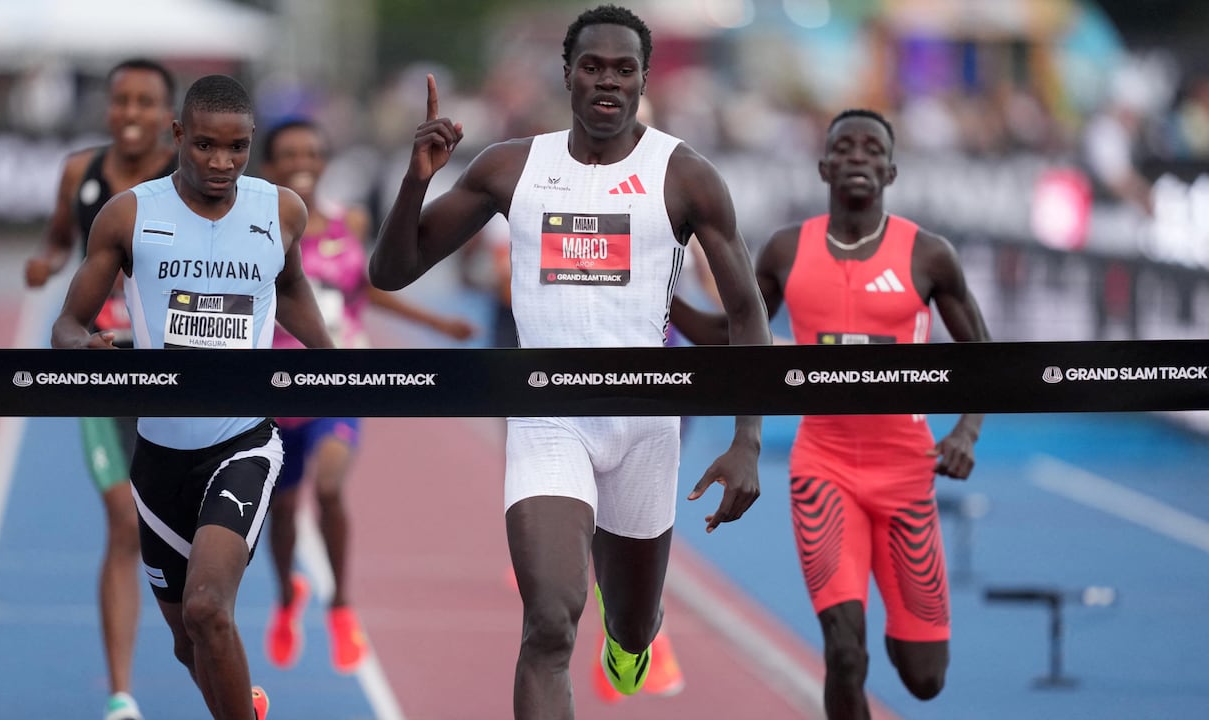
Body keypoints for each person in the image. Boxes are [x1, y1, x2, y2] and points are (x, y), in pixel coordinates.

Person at [368, 5, 772, 717]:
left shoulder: (685, 176)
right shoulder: (511, 167)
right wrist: (415, 180)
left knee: (630, 621)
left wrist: (747, 442)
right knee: (551, 622)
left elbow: (746, 314)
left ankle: (632, 639)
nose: (607, 81)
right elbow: (393, 271)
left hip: (647, 427)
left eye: (623, 69)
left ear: (645, 78)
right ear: (567, 74)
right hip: (548, 418)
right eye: (592, 66)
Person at [671, 109, 991, 719]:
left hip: (907, 473)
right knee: (845, 653)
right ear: (823, 166)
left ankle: (910, 632)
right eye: (845, 148)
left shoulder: (929, 256)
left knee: (925, 678)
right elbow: (735, 334)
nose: (858, 157)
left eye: (873, 149)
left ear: (891, 170)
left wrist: (966, 432)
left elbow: (984, 360)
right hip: (824, 470)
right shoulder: (788, 250)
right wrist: (664, 298)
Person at [51, 74, 334, 720]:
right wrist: (78, 347)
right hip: (158, 457)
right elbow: (68, 322)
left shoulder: (280, 209)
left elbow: (288, 286)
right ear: (178, 135)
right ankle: (241, 701)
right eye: (204, 146)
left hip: (242, 442)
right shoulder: (129, 214)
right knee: (189, 643)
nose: (219, 163)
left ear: (251, 144)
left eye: (236, 149)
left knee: (210, 608)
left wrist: (330, 360)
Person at [256, 117, 475, 673]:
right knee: (281, 511)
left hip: (338, 381)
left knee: (329, 486)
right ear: (268, 167)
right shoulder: (252, 229)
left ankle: (341, 604)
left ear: (325, 160)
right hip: (272, 391)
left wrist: (435, 322)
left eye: (312, 151)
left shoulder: (346, 221)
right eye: (289, 155)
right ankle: (287, 597)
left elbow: (369, 287)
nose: (302, 162)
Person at [23, 57, 177, 720]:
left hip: (170, 369)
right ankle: (120, 695)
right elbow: (61, 238)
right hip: (98, 365)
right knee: (122, 521)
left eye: (146, 101)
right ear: (108, 108)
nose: (132, 113)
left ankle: (198, 650)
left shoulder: (189, 178)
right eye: (122, 101)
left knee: (176, 532)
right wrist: (47, 261)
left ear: (170, 115)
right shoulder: (77, 172)